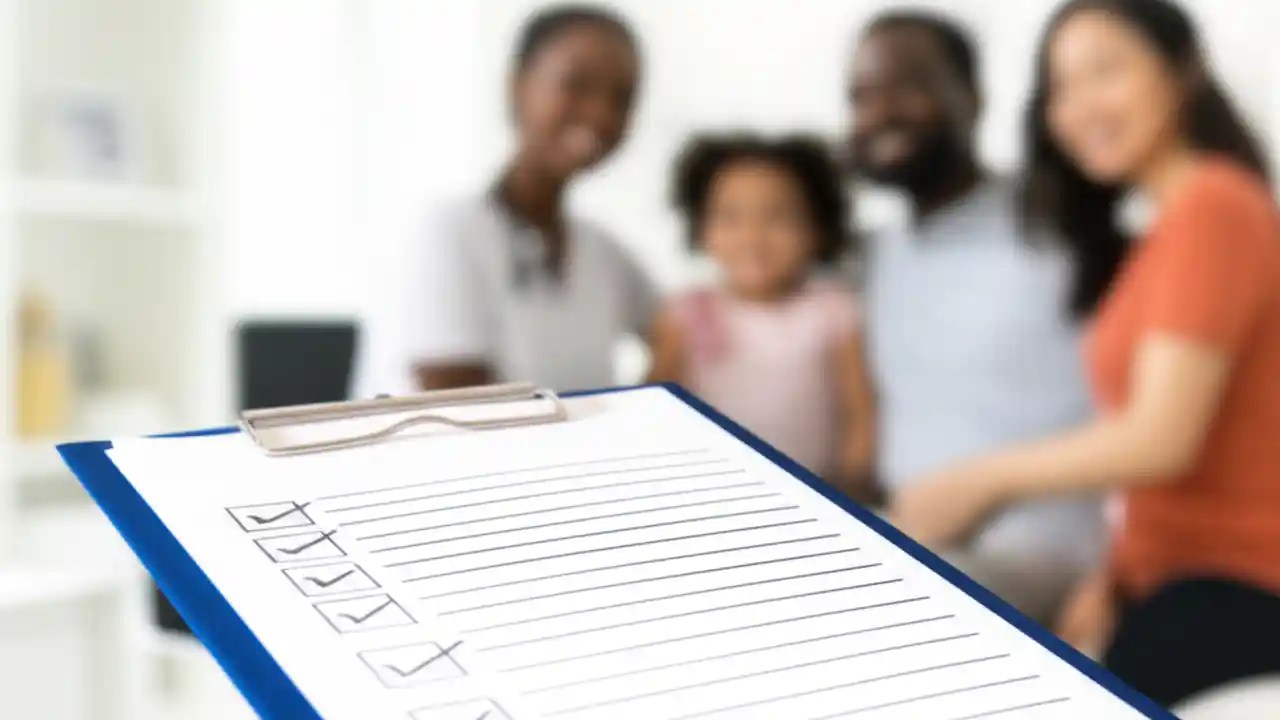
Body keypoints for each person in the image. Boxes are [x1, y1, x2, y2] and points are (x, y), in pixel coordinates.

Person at [891, 0, 1280, 708]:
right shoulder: (1161, 230)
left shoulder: (1216, 206)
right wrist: (1118, 575)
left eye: (1105, 71)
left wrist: (982, 481)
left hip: (1244, 578)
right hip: (1172, 577)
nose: (1077, 107)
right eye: (1060, 87)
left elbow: (1160, 440)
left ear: (1182, 71)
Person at [846, 11, 1103, 621]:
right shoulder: (872, 255)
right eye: (860, 96)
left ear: (975, 97)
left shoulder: (1060, 221)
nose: (879, 111)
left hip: (1041, 552)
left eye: (907, 85)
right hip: (911, 538)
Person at [405, 5, 655, 392]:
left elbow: (687, 332)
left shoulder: (602, 252)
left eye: (621, 97)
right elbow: (455, 406)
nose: (601, 112)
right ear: (516, 85)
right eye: (577, 85)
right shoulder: (447, 232)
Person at [646, 136, 873, 483]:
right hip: (712, 486)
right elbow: (653, 408)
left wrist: (852, 485)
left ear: (817, 227)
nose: (753, 236)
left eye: (778, 216)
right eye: (731, 216)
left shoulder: (833, 309)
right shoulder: (687, 312)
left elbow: (858, 410)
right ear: (702, 228)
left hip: (817, 490)